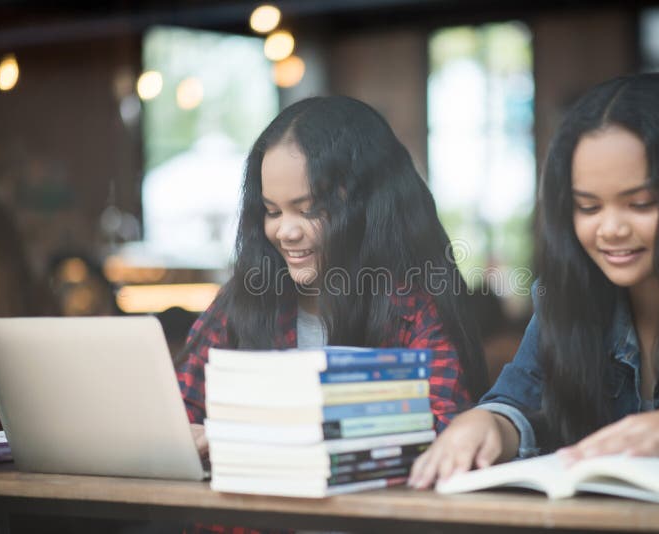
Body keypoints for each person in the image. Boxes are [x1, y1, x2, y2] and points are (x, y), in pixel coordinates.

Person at [409, 72, 659, 489]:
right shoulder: (566, 301)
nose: (610, 229)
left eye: (640, 204)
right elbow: (517, 401)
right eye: (588, 208)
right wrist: (489, 424)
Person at [176, 96, 489, 525]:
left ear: (366, 205)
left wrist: (240, 439)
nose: (285, 231)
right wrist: (183, 438)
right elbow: (178, 418)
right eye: (271, 212)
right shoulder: (242, 303)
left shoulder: (415, 310)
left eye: (309, 210)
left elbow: (436, 445)